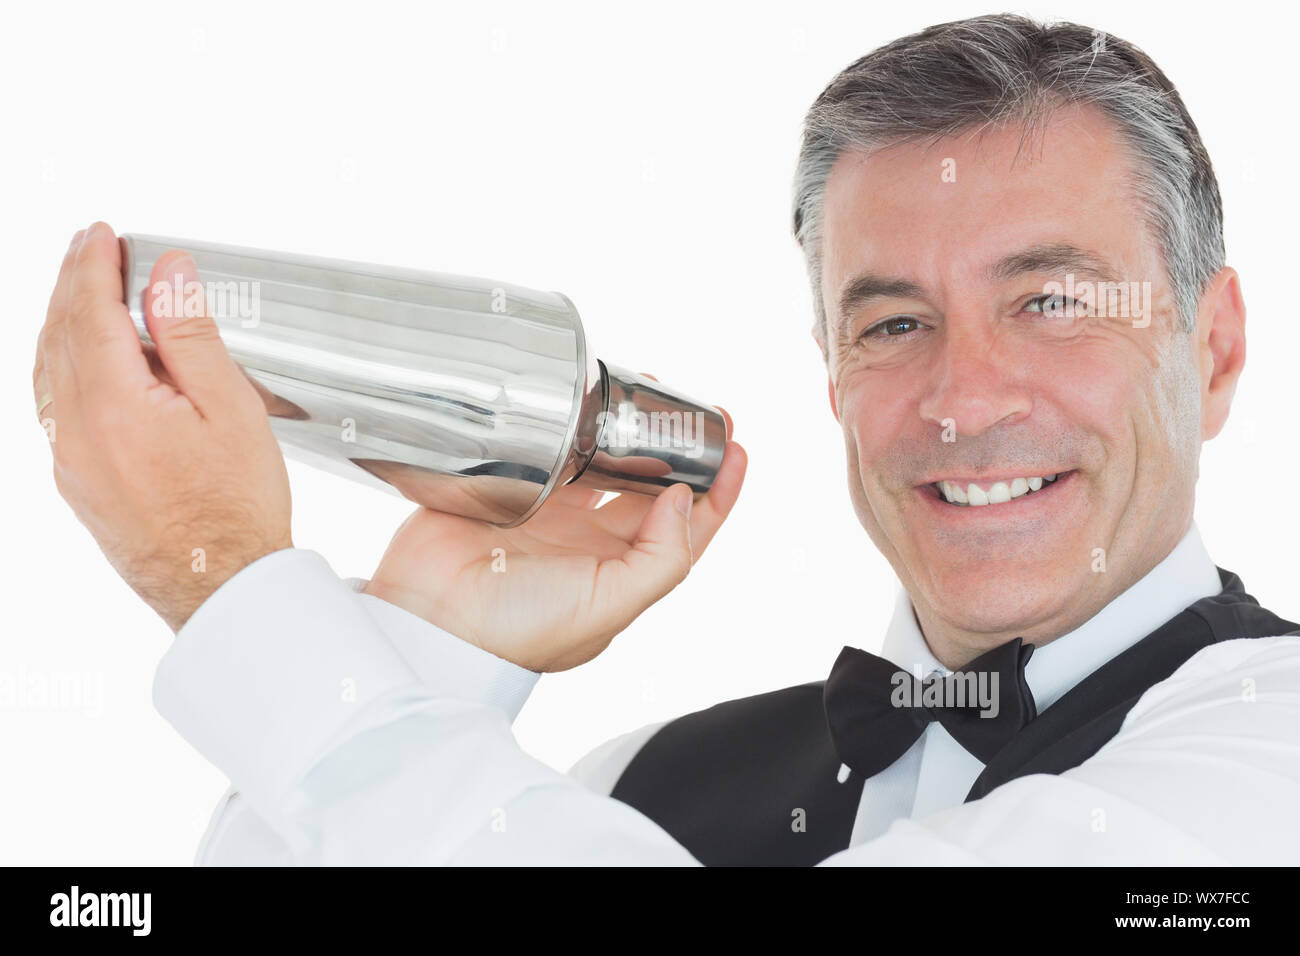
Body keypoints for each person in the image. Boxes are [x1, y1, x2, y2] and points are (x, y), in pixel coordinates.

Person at [33, 14, 1300, 865]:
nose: (964, 399)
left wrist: (223, 570)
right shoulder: (639, 781)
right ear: (830, 375)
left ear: (1215, 348)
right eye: (895, 322)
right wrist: (429, 645)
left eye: (1051, 303)